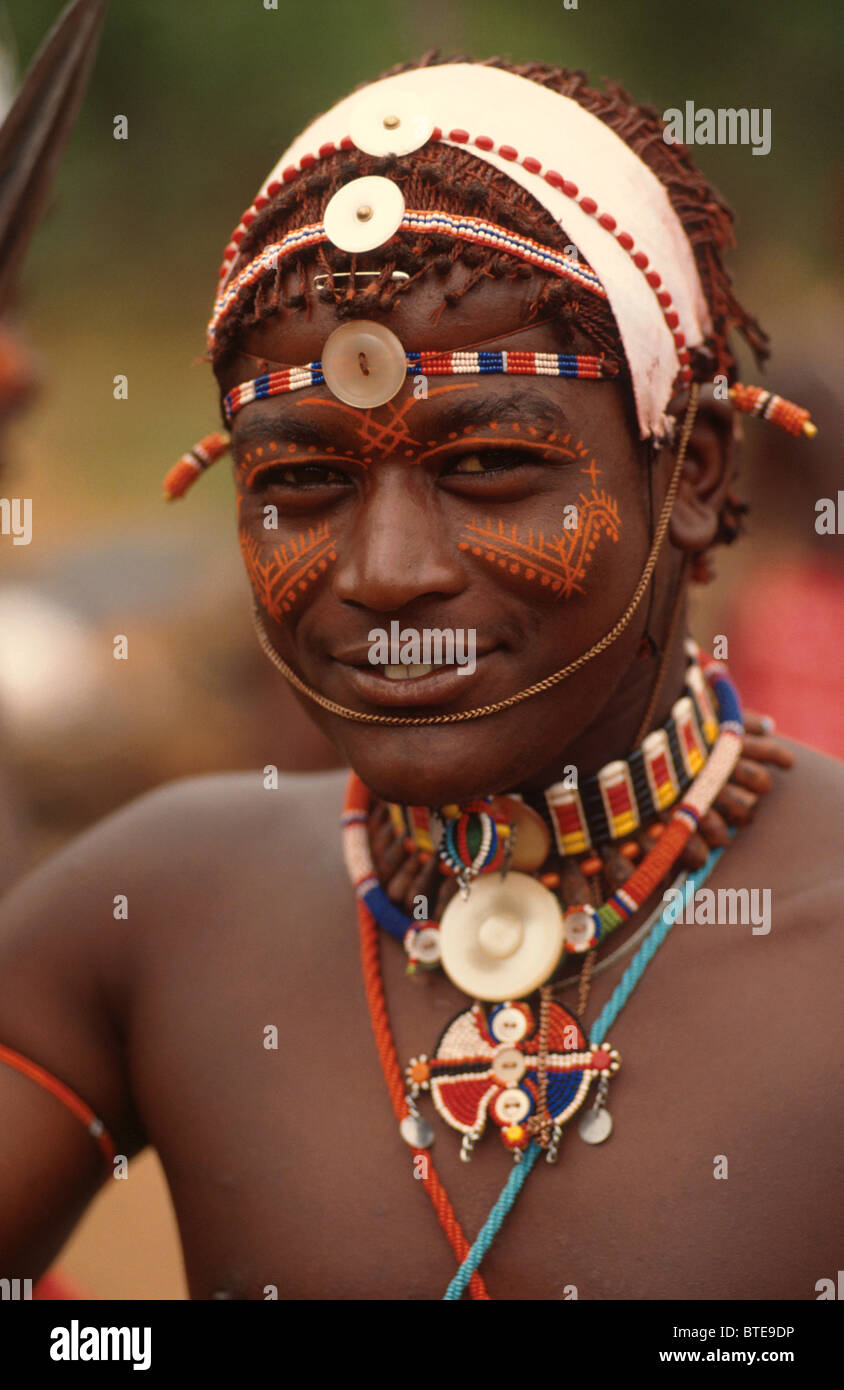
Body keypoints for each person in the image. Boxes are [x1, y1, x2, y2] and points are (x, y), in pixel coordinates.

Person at [0, 53, 840, 1302]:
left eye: (491, 464)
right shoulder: (150, 913)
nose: (385, 573)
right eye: (300, 484)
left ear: (700, 476)